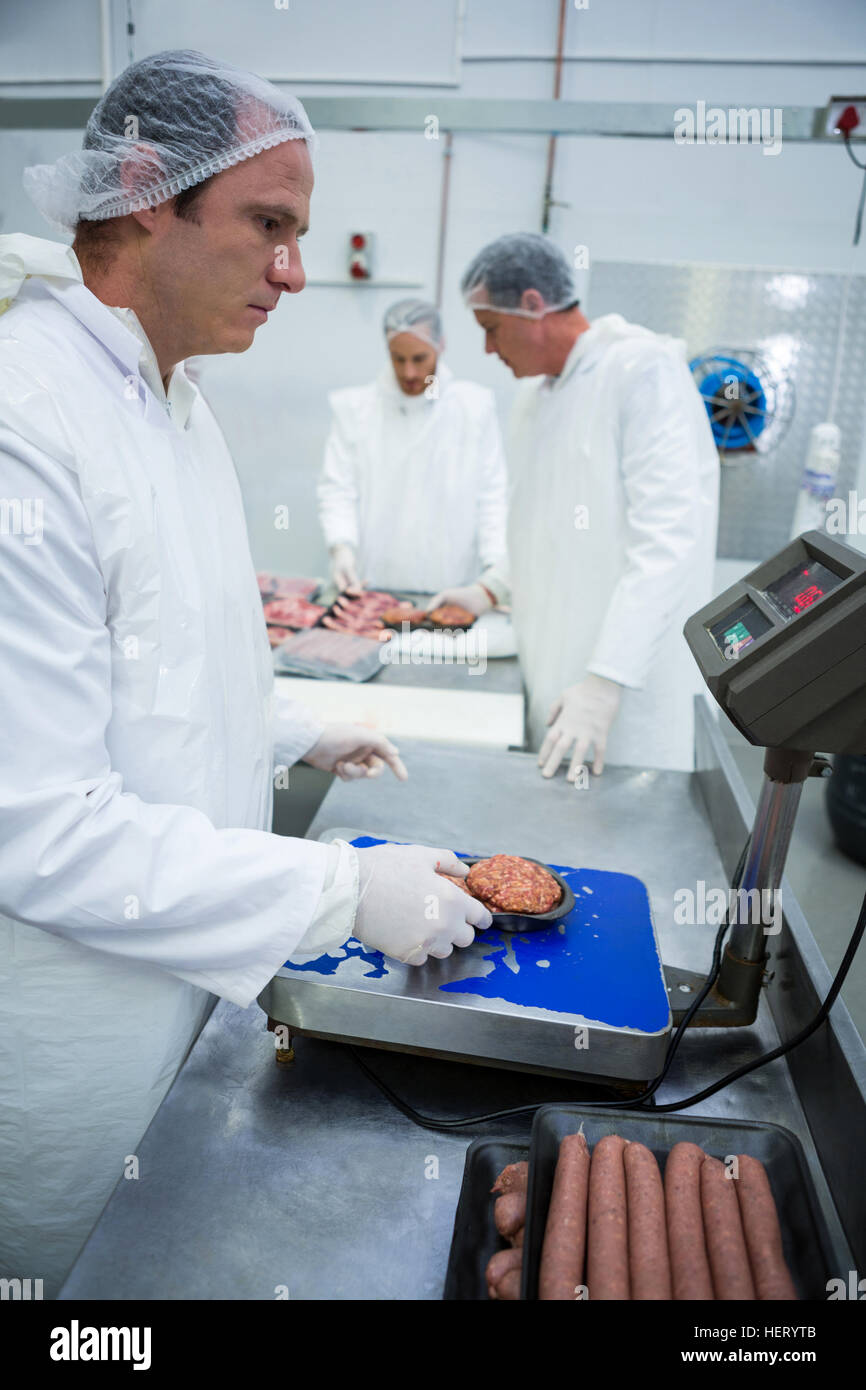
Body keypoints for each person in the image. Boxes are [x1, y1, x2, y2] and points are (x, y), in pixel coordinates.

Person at [0, 50, 490, 1295]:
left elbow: (170, 662)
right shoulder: (26, 421)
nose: (294, 271)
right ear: (148, 192)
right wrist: (338, 889)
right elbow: (35, 828)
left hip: (185, 983)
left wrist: (296, 725)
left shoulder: (175, 401)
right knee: (81, 1296)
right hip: (67, 1044)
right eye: (267, 225)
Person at [434, 232, 719, 777]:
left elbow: (669, 541)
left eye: (491, 329)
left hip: (624, 690)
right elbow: (539, 525)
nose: (489, 349)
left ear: (534, 306)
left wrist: (607, 680)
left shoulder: (641, 371)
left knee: (627, 835)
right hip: (556, 672)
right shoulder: (535, 398)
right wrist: (490, 588)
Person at [318, 297, 508, 597]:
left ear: (440, 347)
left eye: (420, 359)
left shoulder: (472, 408)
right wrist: (341, 547)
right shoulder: (356, 409)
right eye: (398, 359)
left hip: (451, 590)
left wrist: (495, 571)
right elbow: (338, 489)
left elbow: (492, 496)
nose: (409, 373)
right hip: (372, 588)